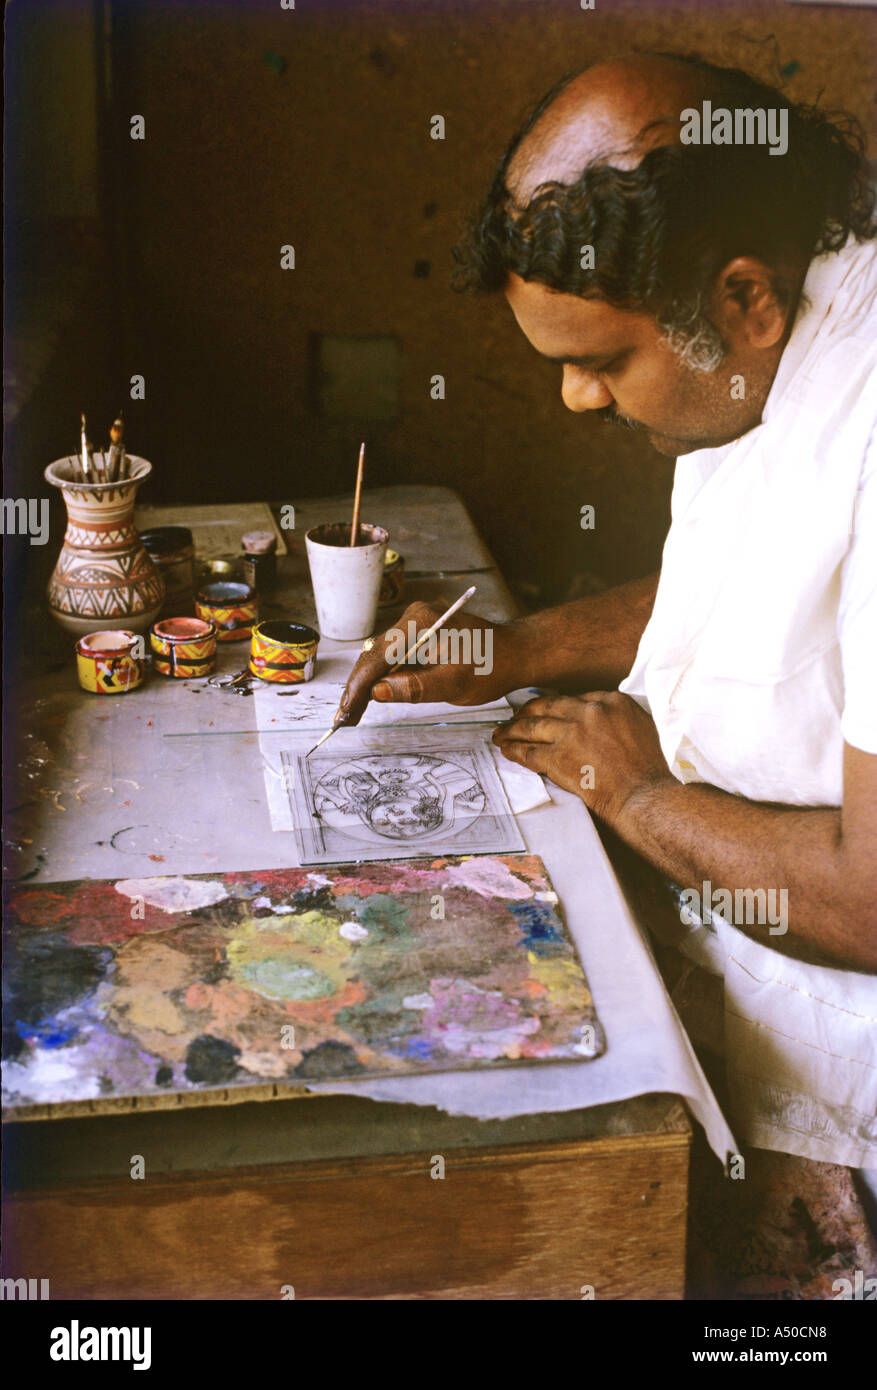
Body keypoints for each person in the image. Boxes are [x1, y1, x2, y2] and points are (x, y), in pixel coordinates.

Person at [338, 52, 877, 1292]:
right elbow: (741, 602)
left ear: (737, 299)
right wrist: (508, 652)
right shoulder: (782, 333)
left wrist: (637, 798)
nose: (578, 399)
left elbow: (866, 899)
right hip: (745, 995)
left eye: (602, 360)